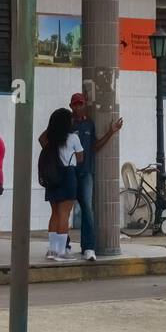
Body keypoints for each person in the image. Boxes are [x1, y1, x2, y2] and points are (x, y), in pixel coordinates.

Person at [66, 92, 122, 261]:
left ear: (85, 105)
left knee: (87, 209)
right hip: (68, 172)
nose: (78, 107)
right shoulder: (66, 124)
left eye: (80, 104)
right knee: (64, 209)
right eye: (75, 104)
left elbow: (94, 147)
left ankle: (88, 247)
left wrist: (110, 133)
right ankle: (63, 244)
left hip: (85, 173)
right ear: (71, 106)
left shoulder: (89, 124)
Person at [39, 107, 82, 261]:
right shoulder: (73, 138)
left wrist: (53, 127)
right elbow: (80, 158)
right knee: (65, 214)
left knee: (55, 214)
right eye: (69, 119)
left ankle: (52, 250)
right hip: (68, 176)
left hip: (52, 175)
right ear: (66, 122)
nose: (72, 121)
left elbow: (40, 139)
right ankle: (62, 251)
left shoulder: (49, 138)